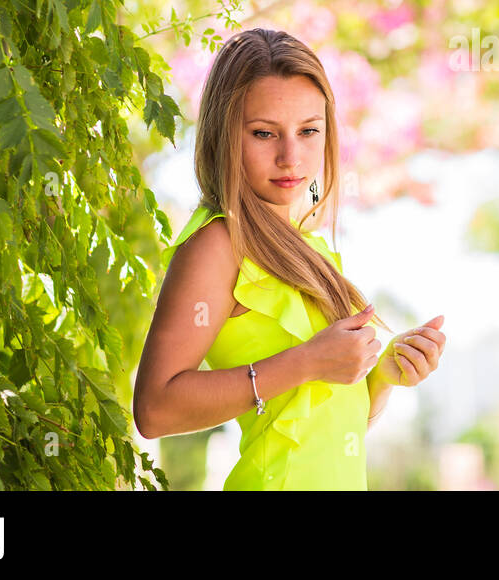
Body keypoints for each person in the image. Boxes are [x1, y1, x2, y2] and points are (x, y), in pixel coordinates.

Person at [133, 28, 445, 489]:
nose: (290, 157)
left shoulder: (310, 249)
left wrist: (382, 377)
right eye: (264, 133)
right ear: (224, 135)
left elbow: (323, 431)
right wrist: (306, 362)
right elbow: (154, 410)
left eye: (308, 131)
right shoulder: (218, 244)